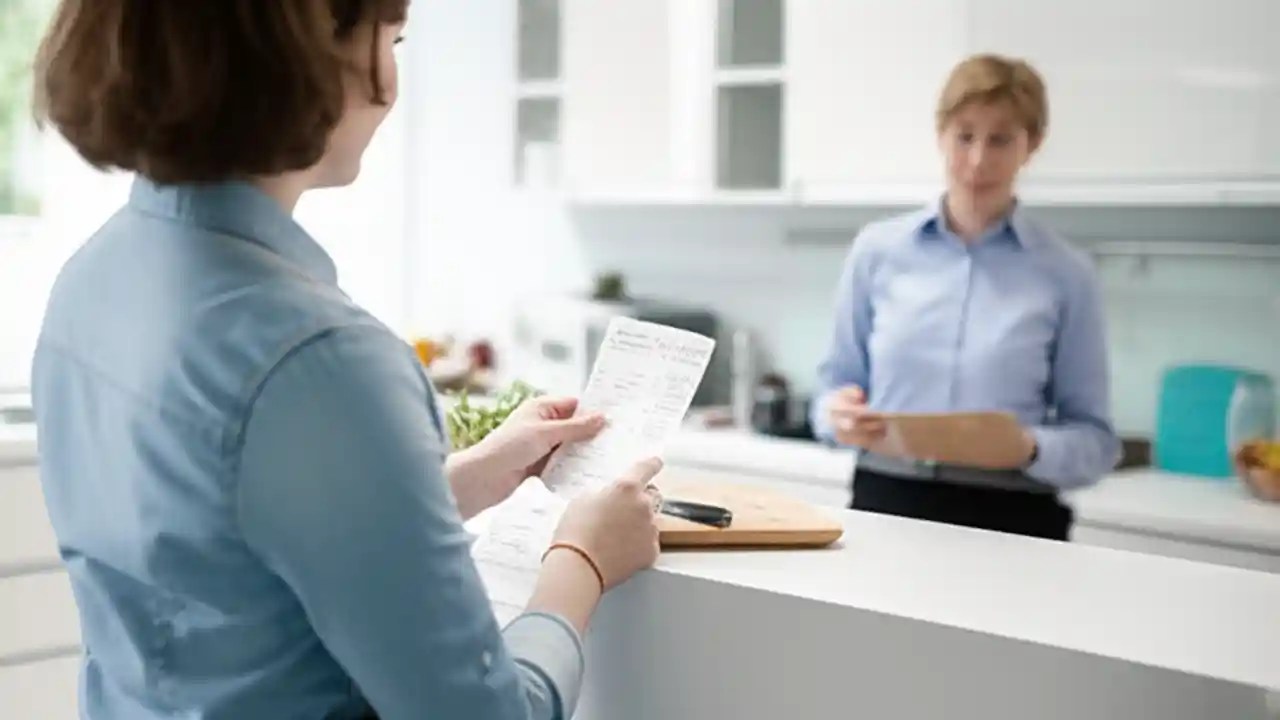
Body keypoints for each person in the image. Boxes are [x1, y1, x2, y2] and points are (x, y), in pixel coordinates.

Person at [30, 2, 662, 718]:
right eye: (390, 39)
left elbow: (224, 551)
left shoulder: (93, 279)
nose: (392, 81)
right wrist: (579, 560)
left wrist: (462, 480)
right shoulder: (321, 362)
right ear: (310, 55)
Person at [811, 54, 1121, 541]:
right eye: (965, 136)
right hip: (885, 504)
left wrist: (1028, 448)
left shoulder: (1066, 273)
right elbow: (831, 390)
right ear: (940, 134)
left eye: (1001, 139)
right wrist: (838, 415)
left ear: (1032, 145)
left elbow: (1097, 442)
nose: (978, 160)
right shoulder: (878, 251)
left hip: (1014, 519)